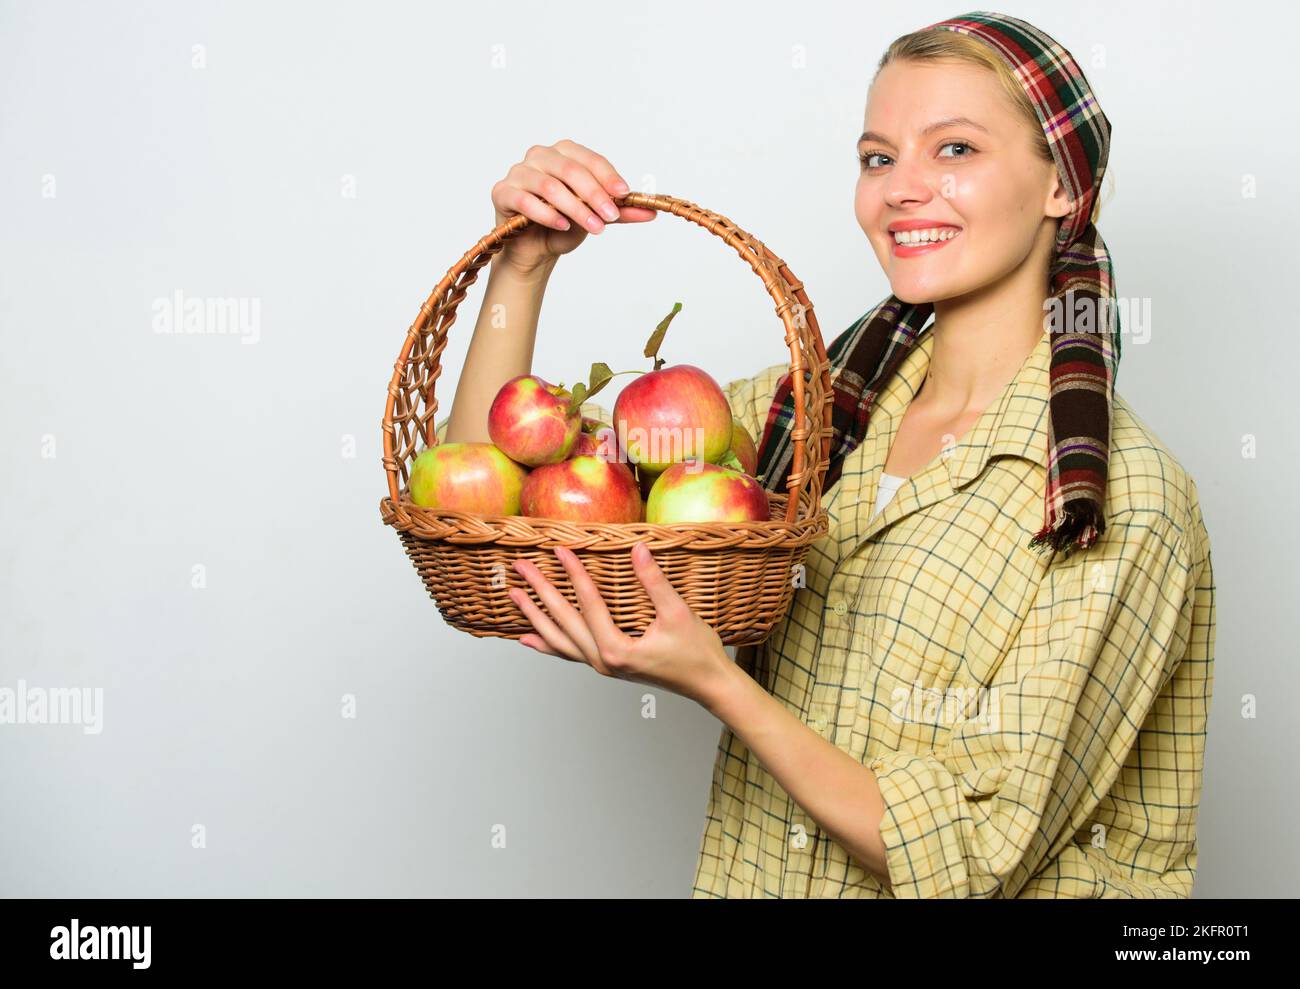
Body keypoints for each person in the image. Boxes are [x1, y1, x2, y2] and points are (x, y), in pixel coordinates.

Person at [438, 11, 1216, 898]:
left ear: (1062, 188)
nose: (900, 189)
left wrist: (719, 685)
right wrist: (524, 265)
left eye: (954, 150)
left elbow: (973, 853)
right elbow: (484, 504)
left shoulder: (1111, 497)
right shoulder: (809, 415)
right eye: (878, 157)